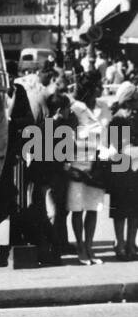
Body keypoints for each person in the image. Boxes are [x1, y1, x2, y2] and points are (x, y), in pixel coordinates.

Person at [65, 72, 109, 265]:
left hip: (96, 166)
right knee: (77, 208)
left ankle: (90, 247)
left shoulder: (103, 107)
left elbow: (109, 136)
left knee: (93, 208)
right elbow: (64, 135)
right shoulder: (75, 108)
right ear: (88, 89)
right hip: (76, 166)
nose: (100, 89)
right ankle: (81, 247)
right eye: (96, 86)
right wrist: (66, 165)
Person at [107, 83, 138, 259]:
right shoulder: (117, 119)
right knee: (120, 209)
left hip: (135, 168)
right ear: (129, 101)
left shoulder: (135, 117)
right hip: (121, 168)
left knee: (135, 208)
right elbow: (118, 146)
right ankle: (120, 243)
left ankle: (131, 243)